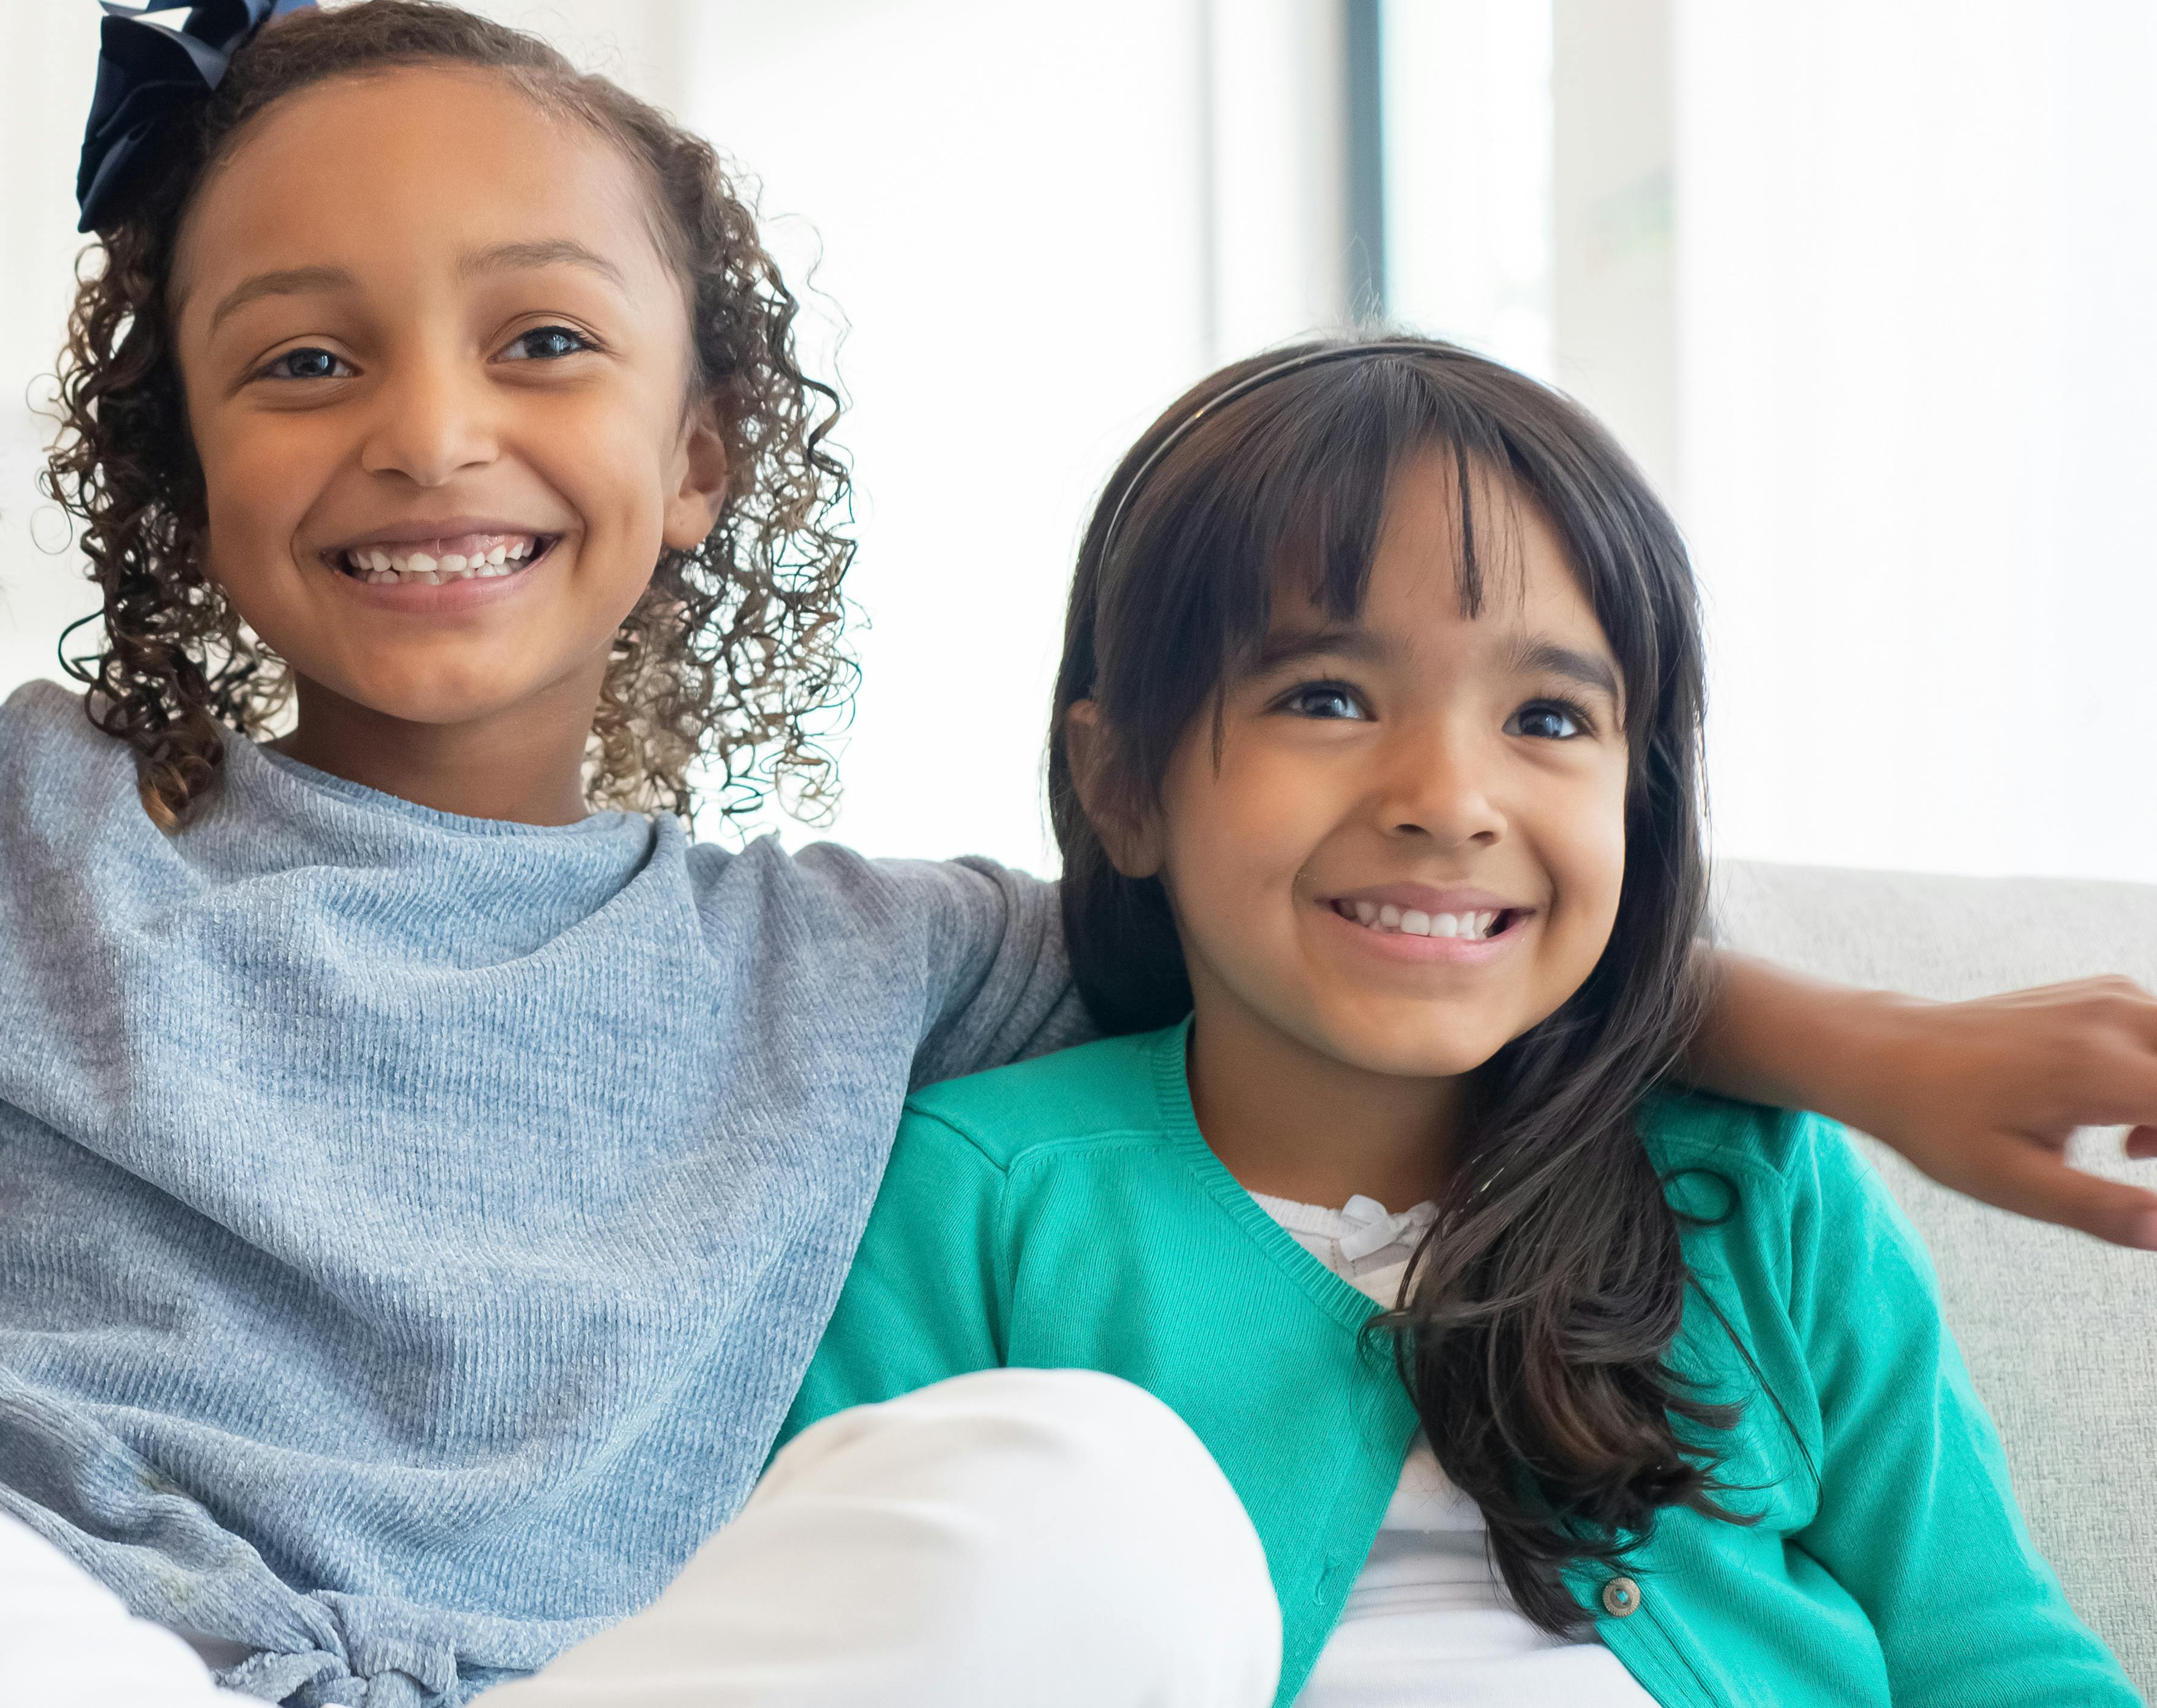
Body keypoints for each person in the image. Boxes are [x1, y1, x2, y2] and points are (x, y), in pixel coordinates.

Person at [0, 0, 2157, 1708]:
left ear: (707, 454)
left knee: (1096, 1503)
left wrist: (1869, 1051)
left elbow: (1364, 915)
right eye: (304, 358)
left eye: (545, 344)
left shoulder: (875, 971)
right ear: (181, 471)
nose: (433, 432)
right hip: (70, 1675)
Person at [790, 336, 2139, 1704]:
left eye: (1548, 718)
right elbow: (848, 1650)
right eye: (1323, 697)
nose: (1448, 796)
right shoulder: (975, 1200)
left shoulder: (1749, 1190)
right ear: (1122, 782)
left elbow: (1992, 1655)